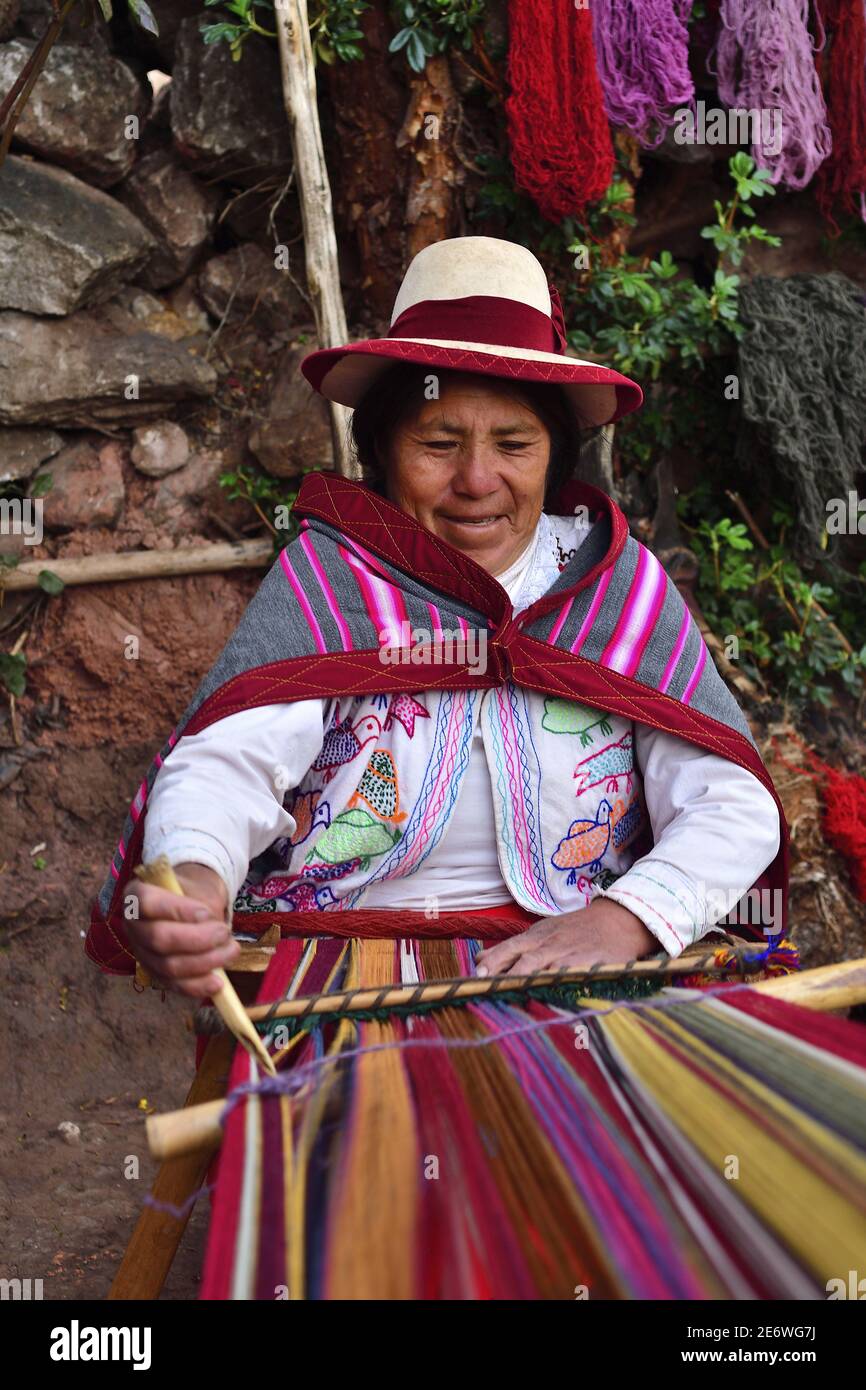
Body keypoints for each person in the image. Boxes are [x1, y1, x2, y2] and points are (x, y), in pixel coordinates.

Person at [89, 236, 785, 996]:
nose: (477, 481)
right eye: (438, 443)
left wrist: (629, 919)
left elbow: (729, 801)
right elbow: (227, 765)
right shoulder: (334, 580)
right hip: (345, 964)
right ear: (384, 448)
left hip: (586, 951)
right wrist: (194, 875)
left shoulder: (614, 589)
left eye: (515, 444)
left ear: (556, 456)